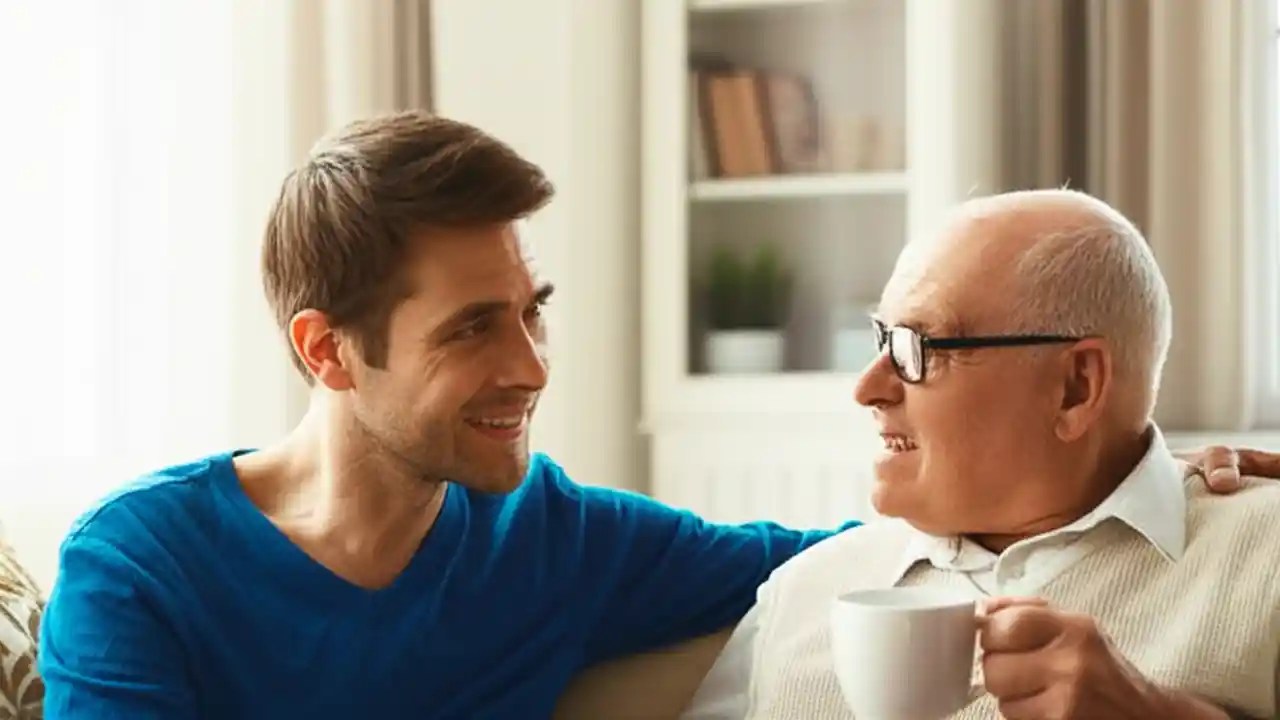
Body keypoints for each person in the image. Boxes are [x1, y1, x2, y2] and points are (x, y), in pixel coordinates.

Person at [36, 114, 1276, 719]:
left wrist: (1154, 464)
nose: (529, 365)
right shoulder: (138, 568)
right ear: (328, 352)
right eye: (473, 328)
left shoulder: (560, 540)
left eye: (535, 310)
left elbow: (878, 550)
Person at [683, 190, 1280, 720]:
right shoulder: (802, 592)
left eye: (918, 348)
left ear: (1076, 386)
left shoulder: (1265, 555)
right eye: (882, 340)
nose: (867, 387)